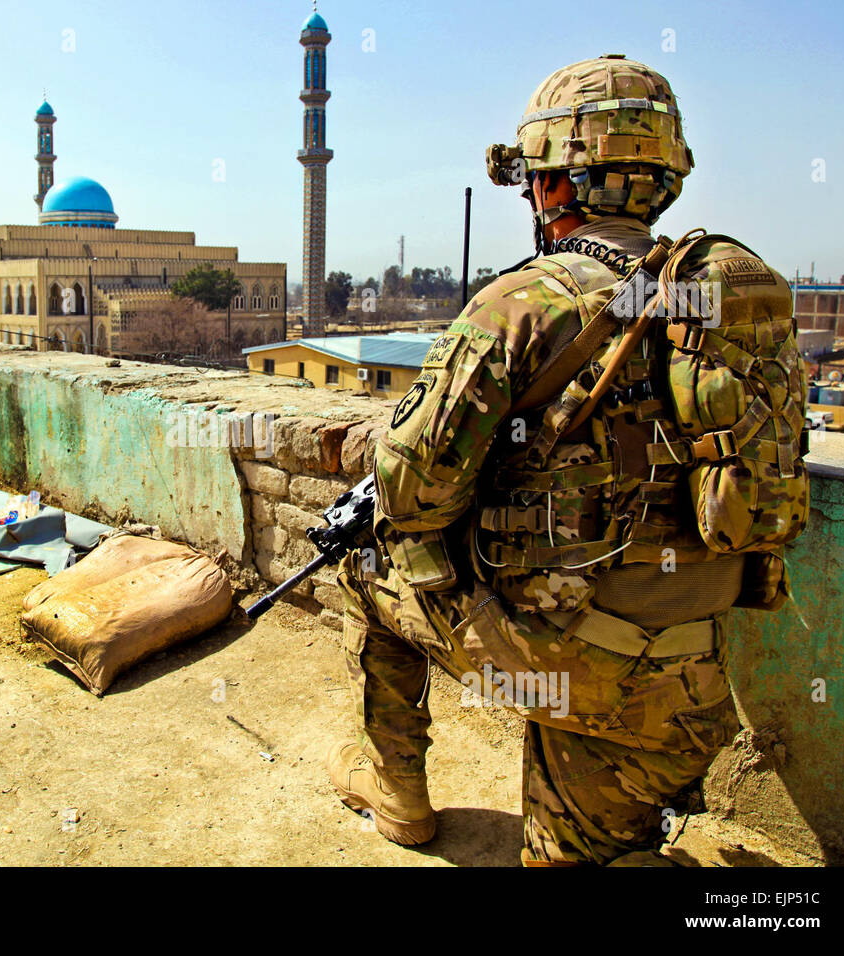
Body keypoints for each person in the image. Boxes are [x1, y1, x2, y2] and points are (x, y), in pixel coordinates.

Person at [328, 55, 807, 865]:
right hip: (687, 685)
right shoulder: (723, 301)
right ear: (664, 181)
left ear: (552, 185)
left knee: (362, 563)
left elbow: (409, 493)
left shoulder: (523, 302)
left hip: (566, 664)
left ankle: (397, 791)